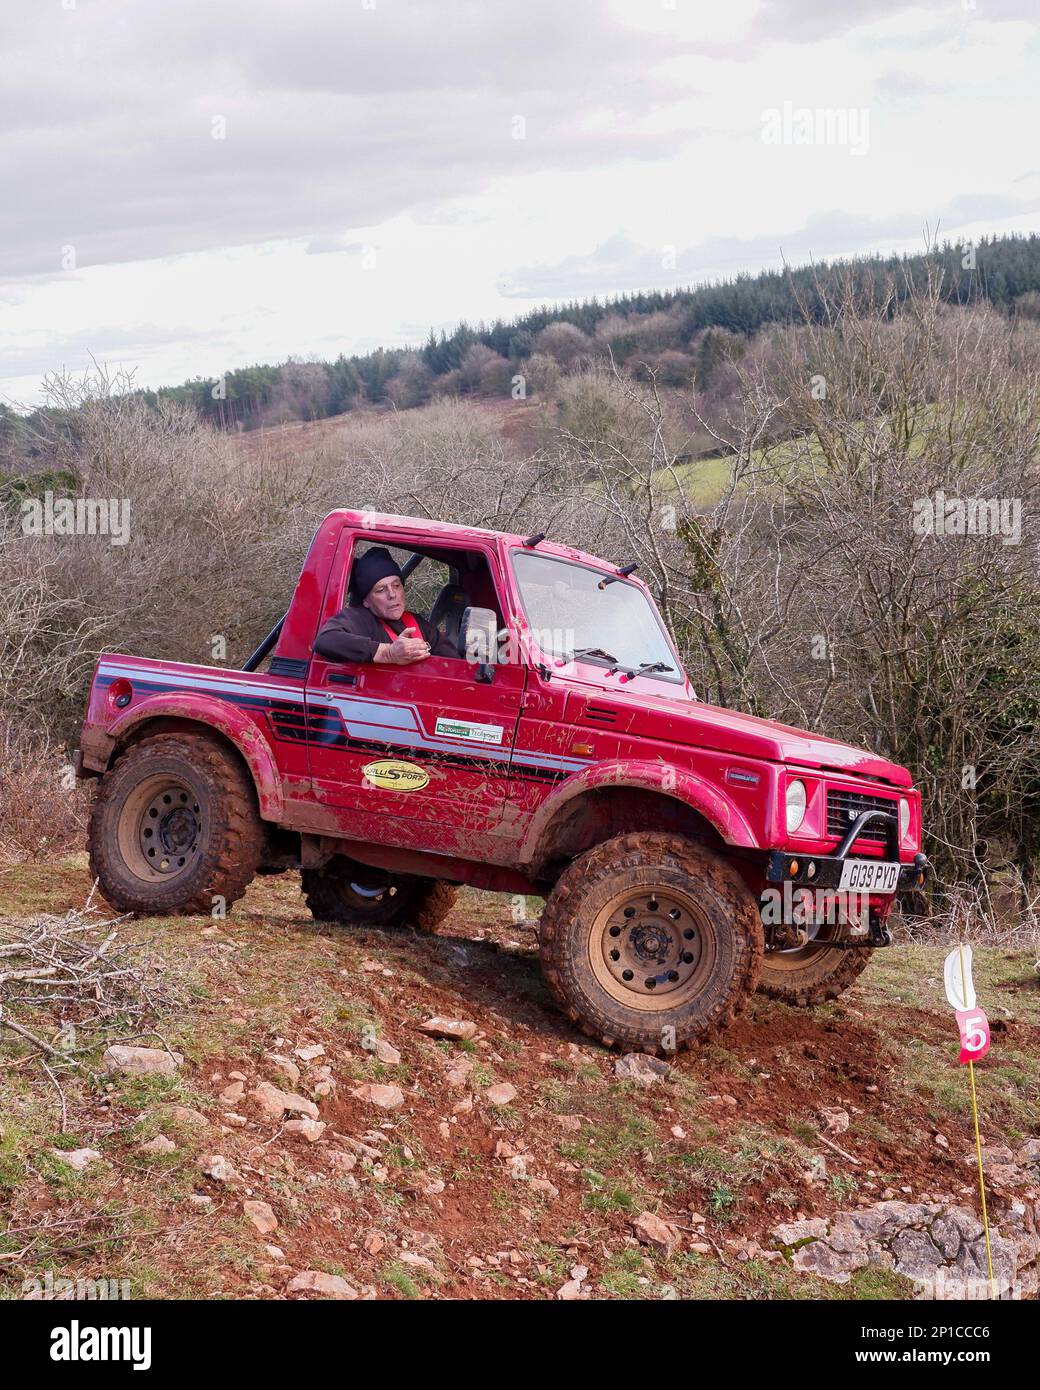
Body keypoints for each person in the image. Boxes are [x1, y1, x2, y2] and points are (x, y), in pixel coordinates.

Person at [313, 546, 457, 665]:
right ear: (366, 601)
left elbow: (453, 660)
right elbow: (325, 640)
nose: (392, 594)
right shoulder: (359, 618)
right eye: (381, 590)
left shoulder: (416, 622)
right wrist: (388, 653)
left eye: (396, 585)